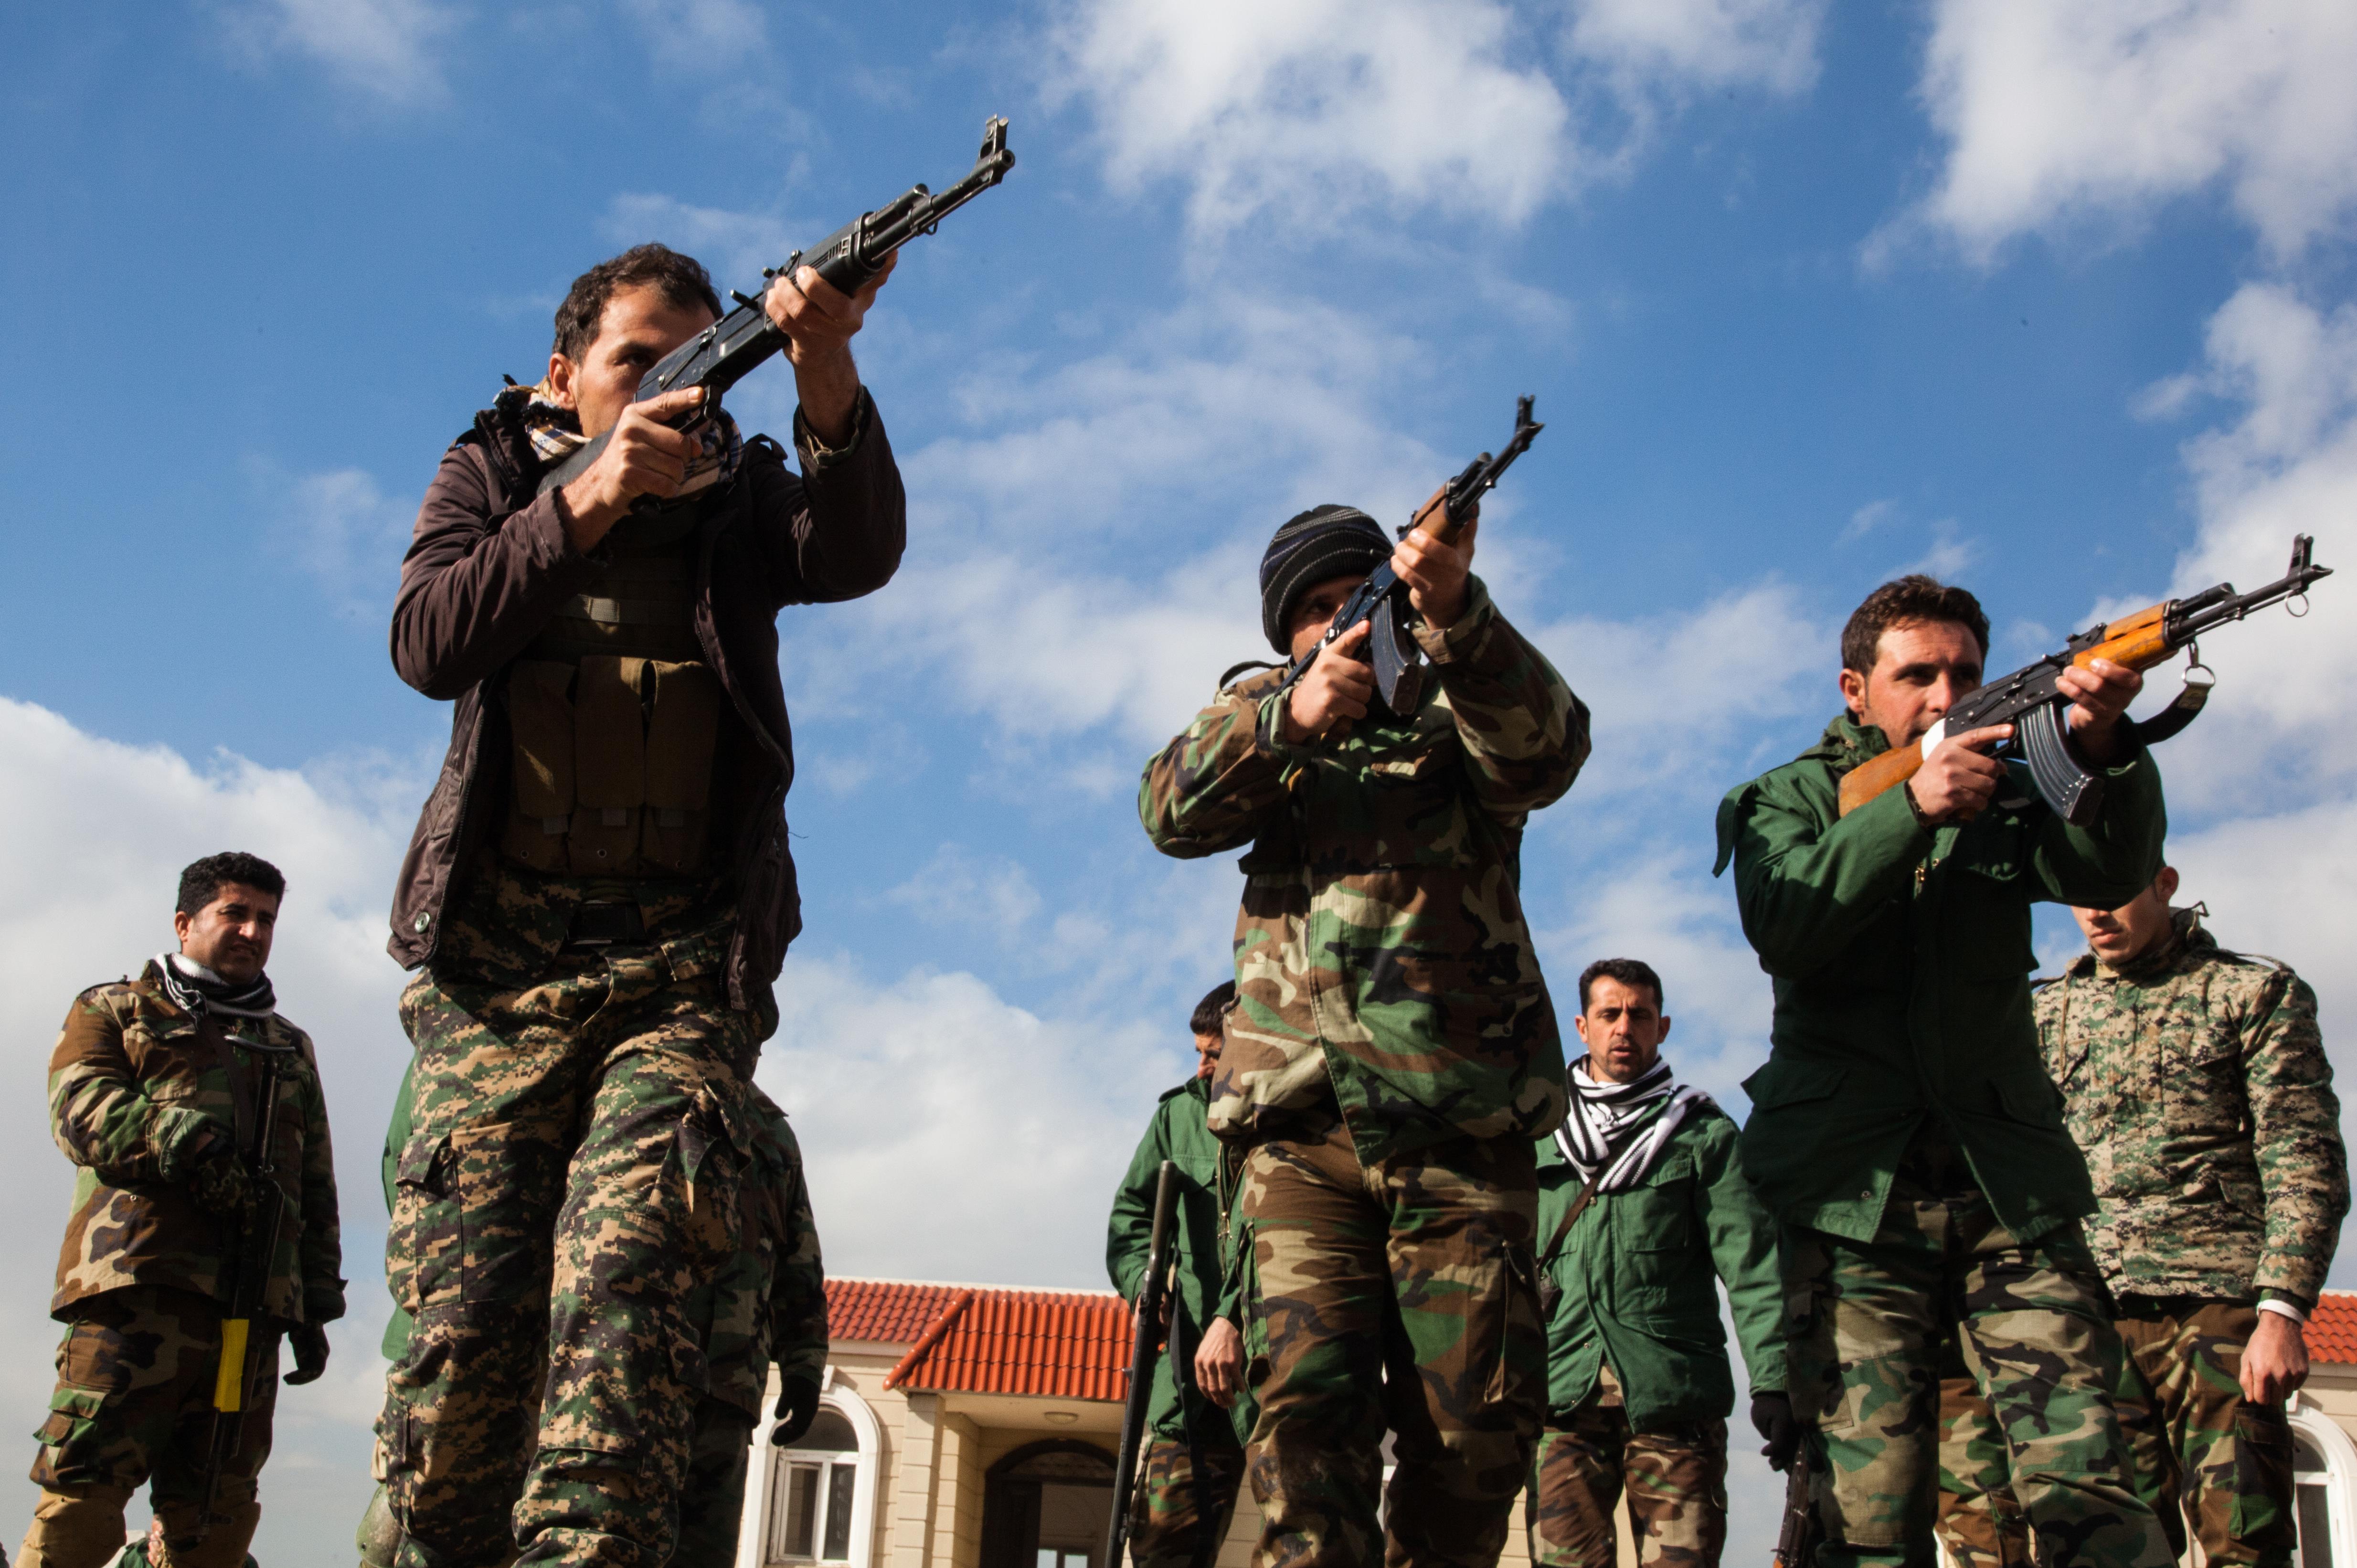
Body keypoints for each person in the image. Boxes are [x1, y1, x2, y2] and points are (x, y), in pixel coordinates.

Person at [375, 239, 903, 1568]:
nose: (678, 394)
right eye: (637, 362)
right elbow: (428, 641)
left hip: (676, 980)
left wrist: (823, 361)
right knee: (459, 1377)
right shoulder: (493, 469)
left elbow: (856, 551)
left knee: (625, 1315)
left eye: (699, 362)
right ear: (568, 373)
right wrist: (589, 499)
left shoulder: (740, 496)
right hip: (498, 982)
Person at [1140, 500, 1590, 1567]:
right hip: (1299, 1133)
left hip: (1458, 1128)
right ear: (1282, 634)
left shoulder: (1459, 700)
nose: (1339, 621)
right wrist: (1285, 723)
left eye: (1360, 598)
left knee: (1476, 1436)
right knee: (1303, 1431)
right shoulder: (1256, 711)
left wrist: (1458, 611)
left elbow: (1547, 755)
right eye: (1313, 609)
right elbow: (1168, 812)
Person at [1715, 573, 2176, 1568]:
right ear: (1854, 688)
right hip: (1851, 1197)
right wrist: (1910, 809)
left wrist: (2099, 747)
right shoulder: (1785, 796)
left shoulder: (2011, 779)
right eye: (1914, 673)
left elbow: (2104, 873)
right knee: (1869, 1512)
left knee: (2087, 1476)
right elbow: (1784, 926)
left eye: (1963, 672)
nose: (1942, 693)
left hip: (2002, 1182)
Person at [21, 852, 342, 1568]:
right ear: (184, 922)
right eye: (235, 913)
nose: (253, 931)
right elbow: (80, 1110)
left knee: (217, 1511)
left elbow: (315, 1182)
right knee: (85, 1484)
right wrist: (183, 1142)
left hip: (247, 1315)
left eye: (266, 919)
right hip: (139, 1289)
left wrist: (314, 1304)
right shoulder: (115, 1008)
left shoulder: (287, 1046)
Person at [361, 1081, 828, 1568]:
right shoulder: (603, 1083)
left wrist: (805, 1360)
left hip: (721, 1394)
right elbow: (431, 1184)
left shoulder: (768, 1130)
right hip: (589, 1373)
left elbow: (798, 1254)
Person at [2035, 868, 2347, 1565]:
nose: (2094, 911)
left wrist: (2283, 1312)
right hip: (2092, 1322)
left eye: (2113, 887)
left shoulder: (2251, 994)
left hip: (2221, 1316)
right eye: (2076, 894)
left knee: (2245, 1542)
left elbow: (2304, 1156)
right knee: (2107, 1551)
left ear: (2165, 882)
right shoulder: (2042, 1014)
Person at [1525, 959, 1788, 1568]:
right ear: (1582, 1026)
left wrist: (1773, 1377)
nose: (1624, 1027)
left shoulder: (1700, 1133)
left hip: (1673, 1399)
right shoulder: (1540, 1130)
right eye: (1609, 1014)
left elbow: (1751, 1265)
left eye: (1639, 1014)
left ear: (1662, 1026)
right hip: (1561, 1397)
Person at [1106, 981, 1256, 1568]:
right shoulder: (1177, 1114)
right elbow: (1131, 1218)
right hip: (1188, 1390)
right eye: (1198, 1050)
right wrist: (1145, 1278)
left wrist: (1235, 1315)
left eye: (1213, 1052)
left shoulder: (1300, 1122)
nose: (1201, 1064)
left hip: (1280, 1382)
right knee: (1159, 1554)